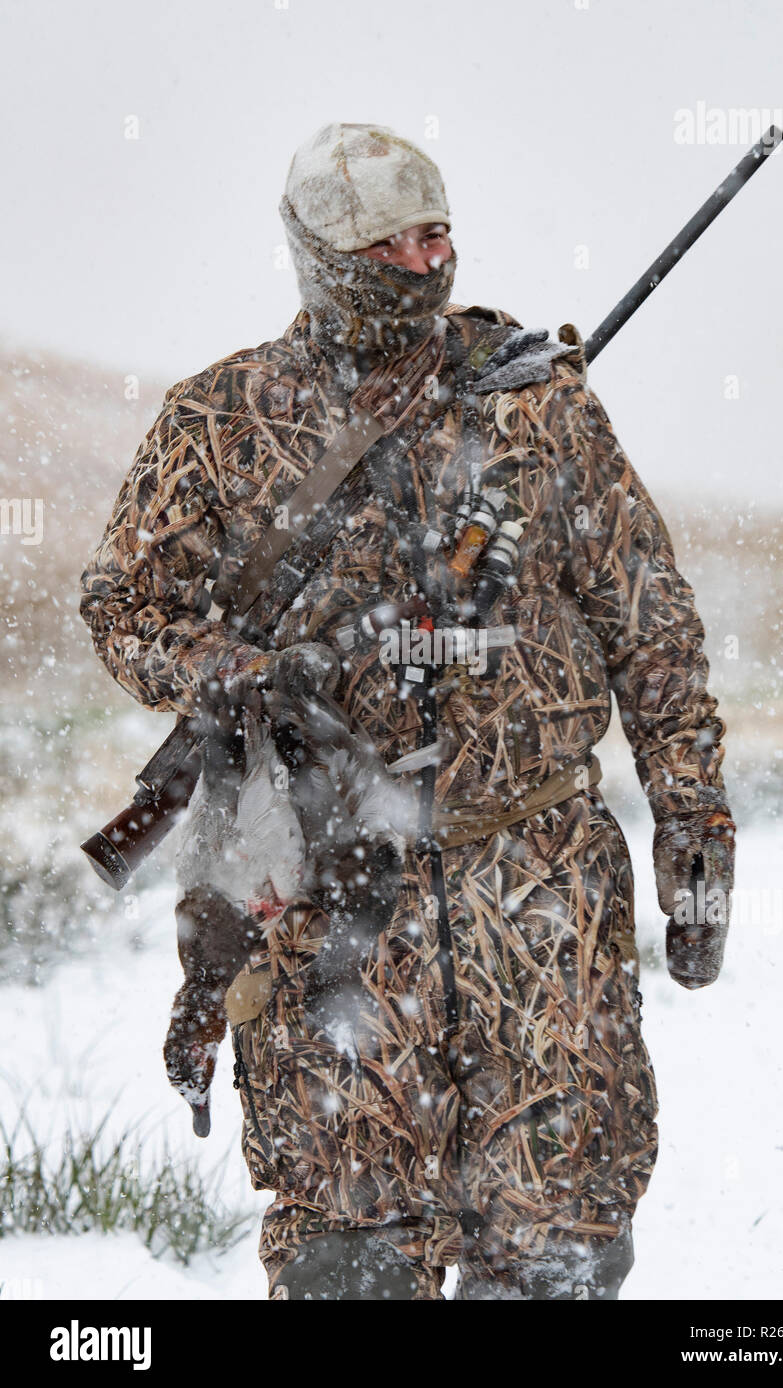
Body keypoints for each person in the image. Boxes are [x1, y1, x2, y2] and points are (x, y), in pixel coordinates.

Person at [80, 122, 735, 1300]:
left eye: (435, 234)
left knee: (558, 1249)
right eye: (386, 244)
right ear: (319, 254)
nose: (422, 262)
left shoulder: (536, 407)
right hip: (334, 907)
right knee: (348, 1258)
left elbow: (650, 625)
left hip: (539, 898)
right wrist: (214, 667)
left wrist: (693, 820)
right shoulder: (222, 422)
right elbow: (122, 603)